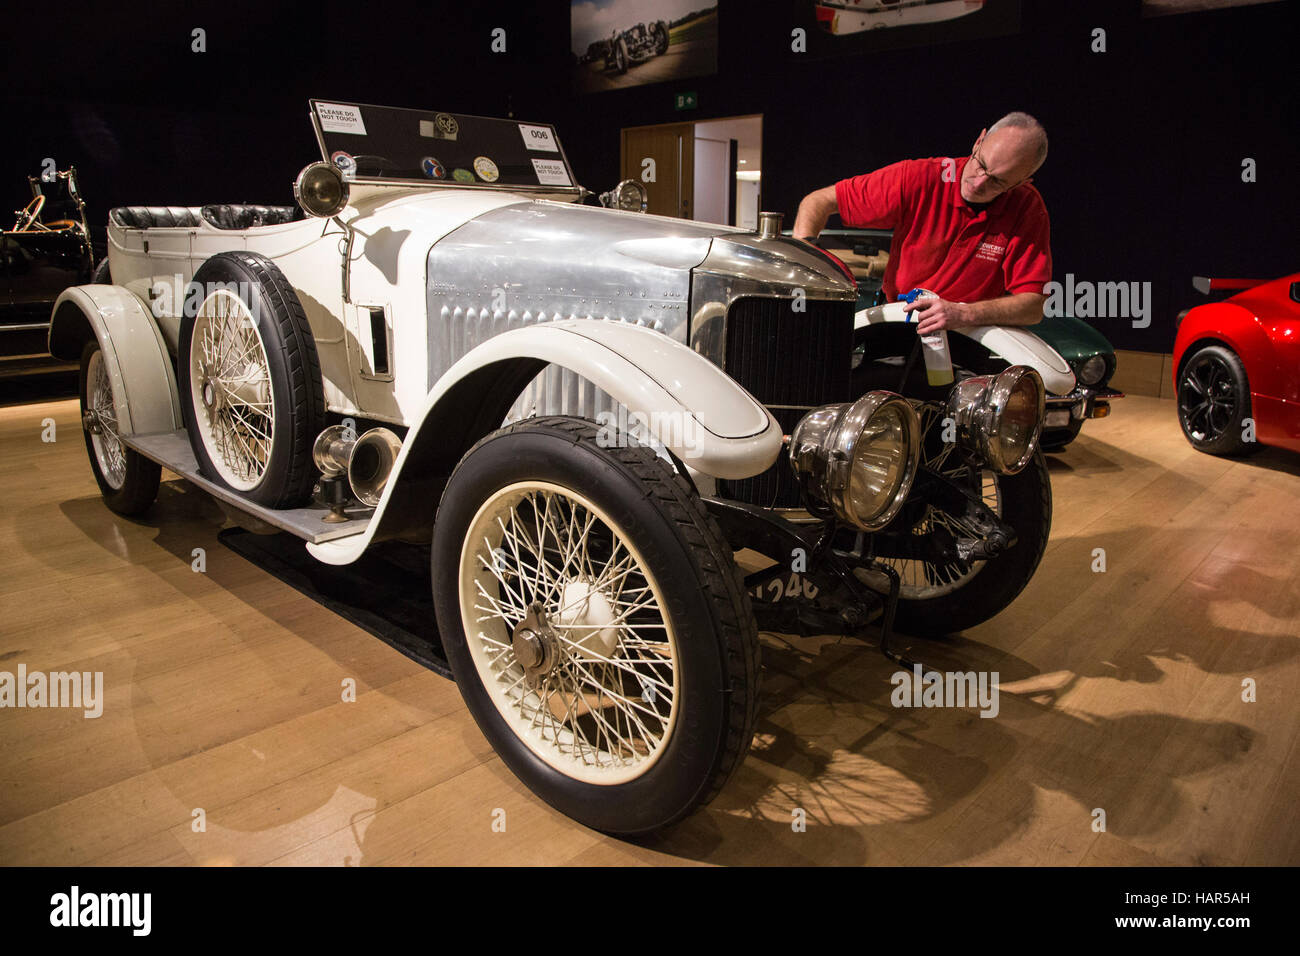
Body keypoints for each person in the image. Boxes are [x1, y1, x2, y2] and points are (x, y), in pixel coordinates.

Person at [792, 112, 1051, 334]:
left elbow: (1033, 306)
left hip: (969, 334)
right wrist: (804, 275)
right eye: (980, 164)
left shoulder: (1027, 207)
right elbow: (817, 202)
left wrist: (964, 314)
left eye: (998, 181)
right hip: (899, 322)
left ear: (1022, 182)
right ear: (979, 140)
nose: (979, 182)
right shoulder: (922, 178)